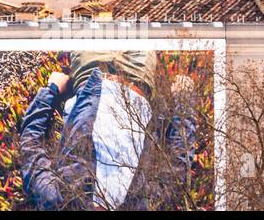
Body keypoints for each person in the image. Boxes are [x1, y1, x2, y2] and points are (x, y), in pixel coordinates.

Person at [19, 51, 198, 210]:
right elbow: (178, 166)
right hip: (138, 76)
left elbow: (30, 148)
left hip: (89, 73)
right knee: (139, 25)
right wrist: (184, 102)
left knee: (89, 21)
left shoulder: (57, 201)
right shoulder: (143, 205)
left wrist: (51, 90)